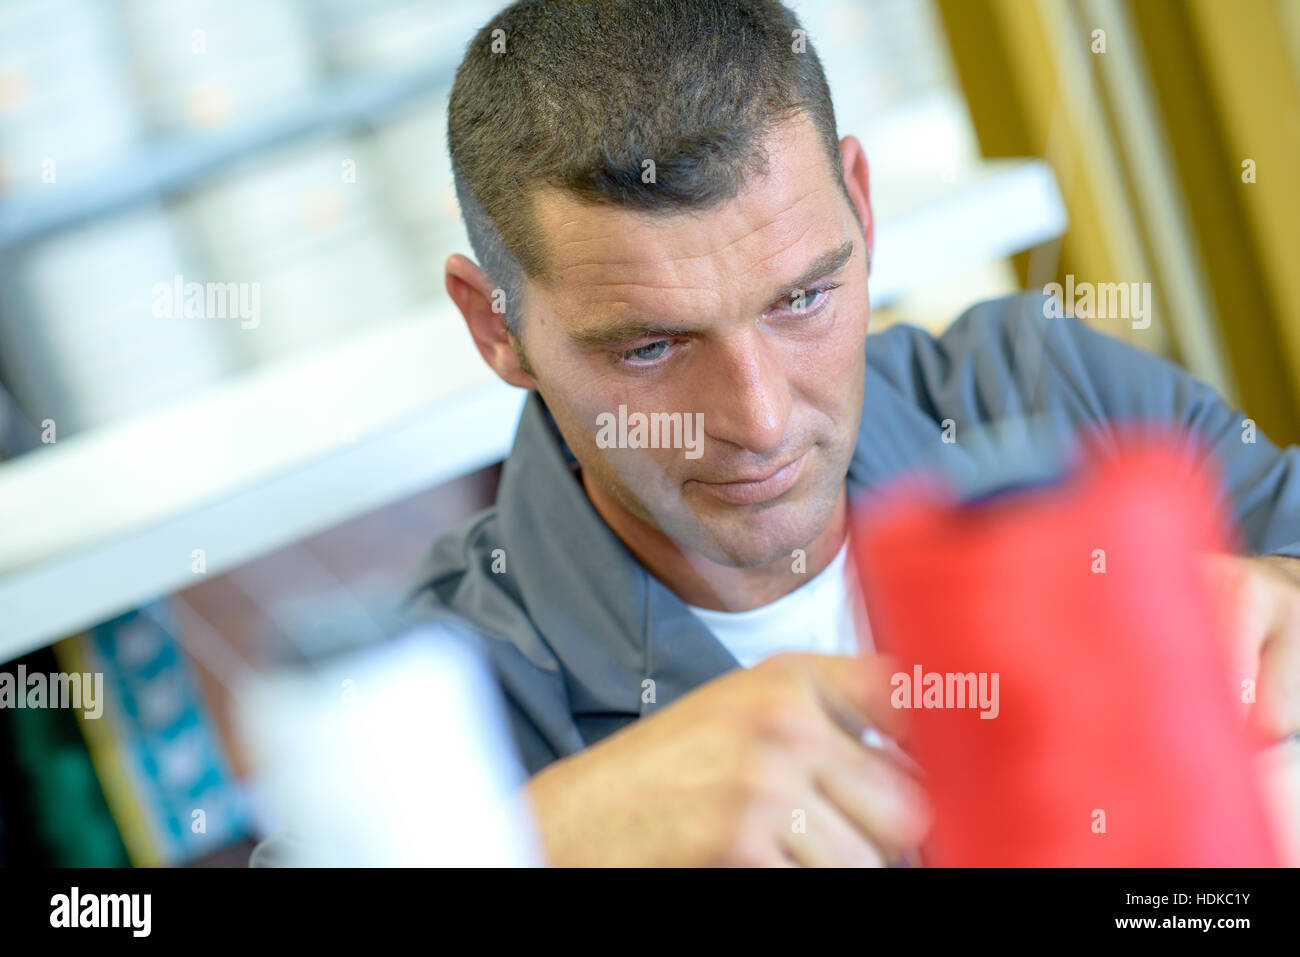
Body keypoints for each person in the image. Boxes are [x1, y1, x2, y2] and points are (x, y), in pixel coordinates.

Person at [403, 0, 1300, 867]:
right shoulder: (440, 702)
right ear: (496, 327)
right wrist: (534, 846)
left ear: (861, 211)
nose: (760, 419)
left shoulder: (1047, 387)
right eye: (648, 349)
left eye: (801, 299)